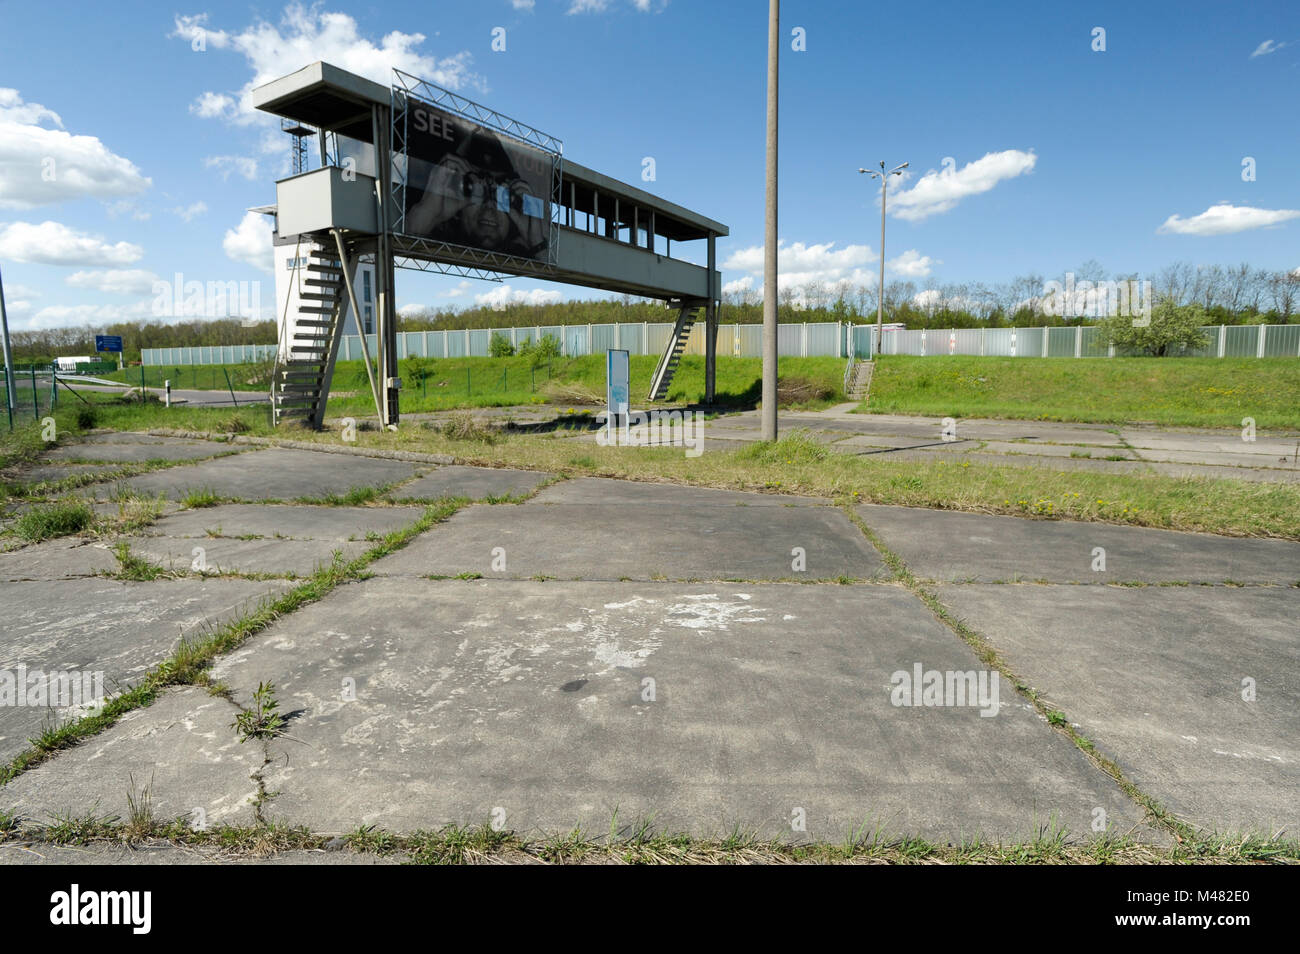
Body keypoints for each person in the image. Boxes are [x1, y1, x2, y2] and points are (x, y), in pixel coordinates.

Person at [407, 126, 547, 259]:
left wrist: (536, 242)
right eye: (475, 189)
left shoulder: (525, 248)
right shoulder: (435, 231)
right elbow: (394, 245)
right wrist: (427, 215)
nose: (489, 207)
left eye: (501, 195)